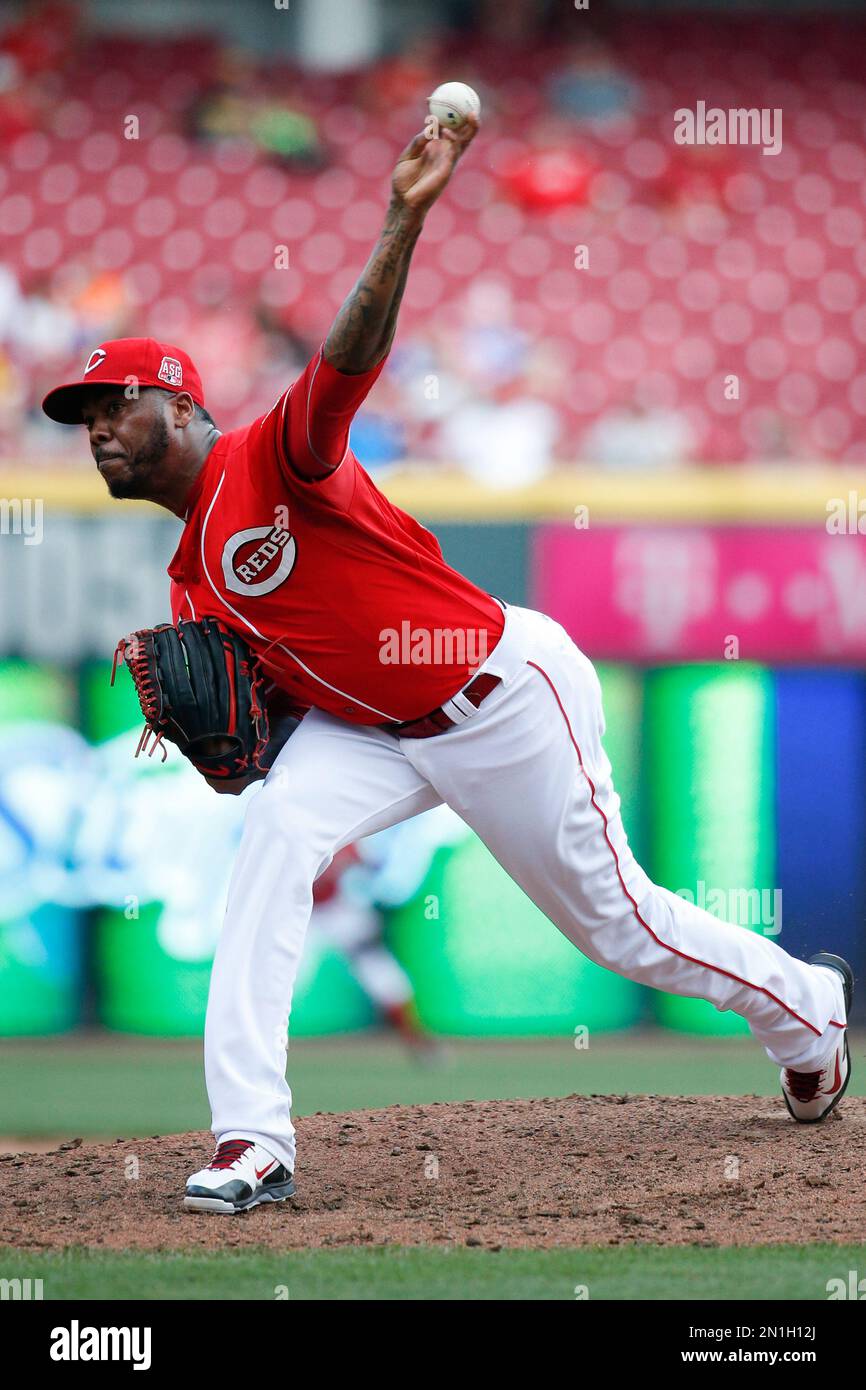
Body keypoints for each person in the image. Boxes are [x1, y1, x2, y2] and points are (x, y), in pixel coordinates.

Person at [43, 115, 852, 1216]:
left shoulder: (271, 454)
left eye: (112, 403)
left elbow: (348, 359)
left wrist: (401, 216)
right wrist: (243, 753)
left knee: (616, 922)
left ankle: (805, 1006)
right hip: (380, 732)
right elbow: (269, 726)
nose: (94, 427)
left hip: (501, 694)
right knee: (275, 833)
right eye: (82, 414)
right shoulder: (188, 583)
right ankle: (251, 1138)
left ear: (182, 406)